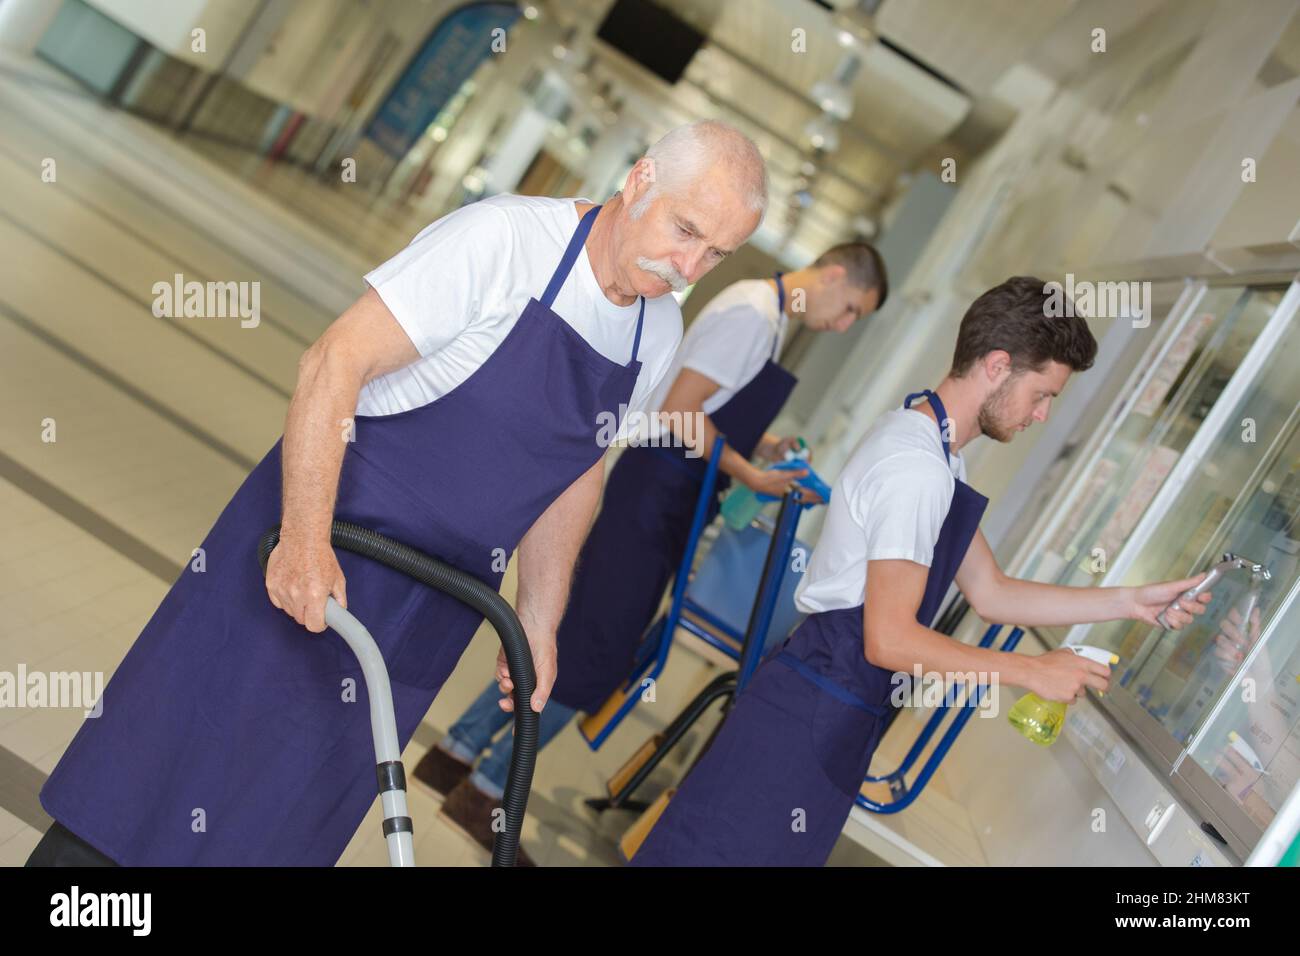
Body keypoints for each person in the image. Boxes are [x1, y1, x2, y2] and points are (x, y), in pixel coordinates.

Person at [26, 120, 768, 867]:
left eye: (715, 254)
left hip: (429, 616)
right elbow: (333, 363)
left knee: (280, 823)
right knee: (162, 778)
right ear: (640, 180)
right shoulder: (506, 242)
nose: (688, 265)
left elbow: (576, 472)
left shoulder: (657, 334)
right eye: (685, 230)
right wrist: (305, 542)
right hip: (320, 556)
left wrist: (541, 622)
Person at [629, 275, 1214, 866]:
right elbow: (890, 638)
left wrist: (1133, 601)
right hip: (810, 714)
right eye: (1043, 395)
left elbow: (993, 593)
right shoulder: (917, 468)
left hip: (834, 711)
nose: (1041, 415)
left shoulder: (935, 450)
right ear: (997, 365)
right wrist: (1030, 671)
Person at [416, 246, 887, 857]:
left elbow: (708, 406)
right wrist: (750, 474)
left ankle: (452, 754)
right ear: (831, 275)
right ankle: (484, 790)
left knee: (582, 629)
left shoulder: (767, 320)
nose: (843, 325)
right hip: (657, 489)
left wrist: (763, 445)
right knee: (596, 650)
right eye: (850, 309)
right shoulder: (752, 314)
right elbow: (680, 410)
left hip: (664, 489)